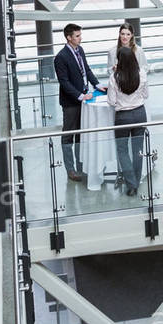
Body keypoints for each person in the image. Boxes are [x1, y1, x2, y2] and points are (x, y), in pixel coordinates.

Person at [54, 23, 100, 183]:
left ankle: (81, 165)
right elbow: (64, 83)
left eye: (80, 35)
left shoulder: (79, 50)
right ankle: (71, 170)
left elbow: (86, 70)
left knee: (81, 134)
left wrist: (97, 84)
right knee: (68, 136)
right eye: (78, 36)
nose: (81, 38)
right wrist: (80, 96)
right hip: (71, 103)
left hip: (84, 99)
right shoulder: (61, 57)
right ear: (69, 37)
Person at [107, 45, 148, 196]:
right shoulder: (142, 74)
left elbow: (111, 101)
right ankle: (135, 182)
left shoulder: (114, 78)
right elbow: (146, 95)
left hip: (122, 117)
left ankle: (132, 184)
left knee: (122, 150)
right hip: (139, 114)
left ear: (119, 61)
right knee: (138, 150)